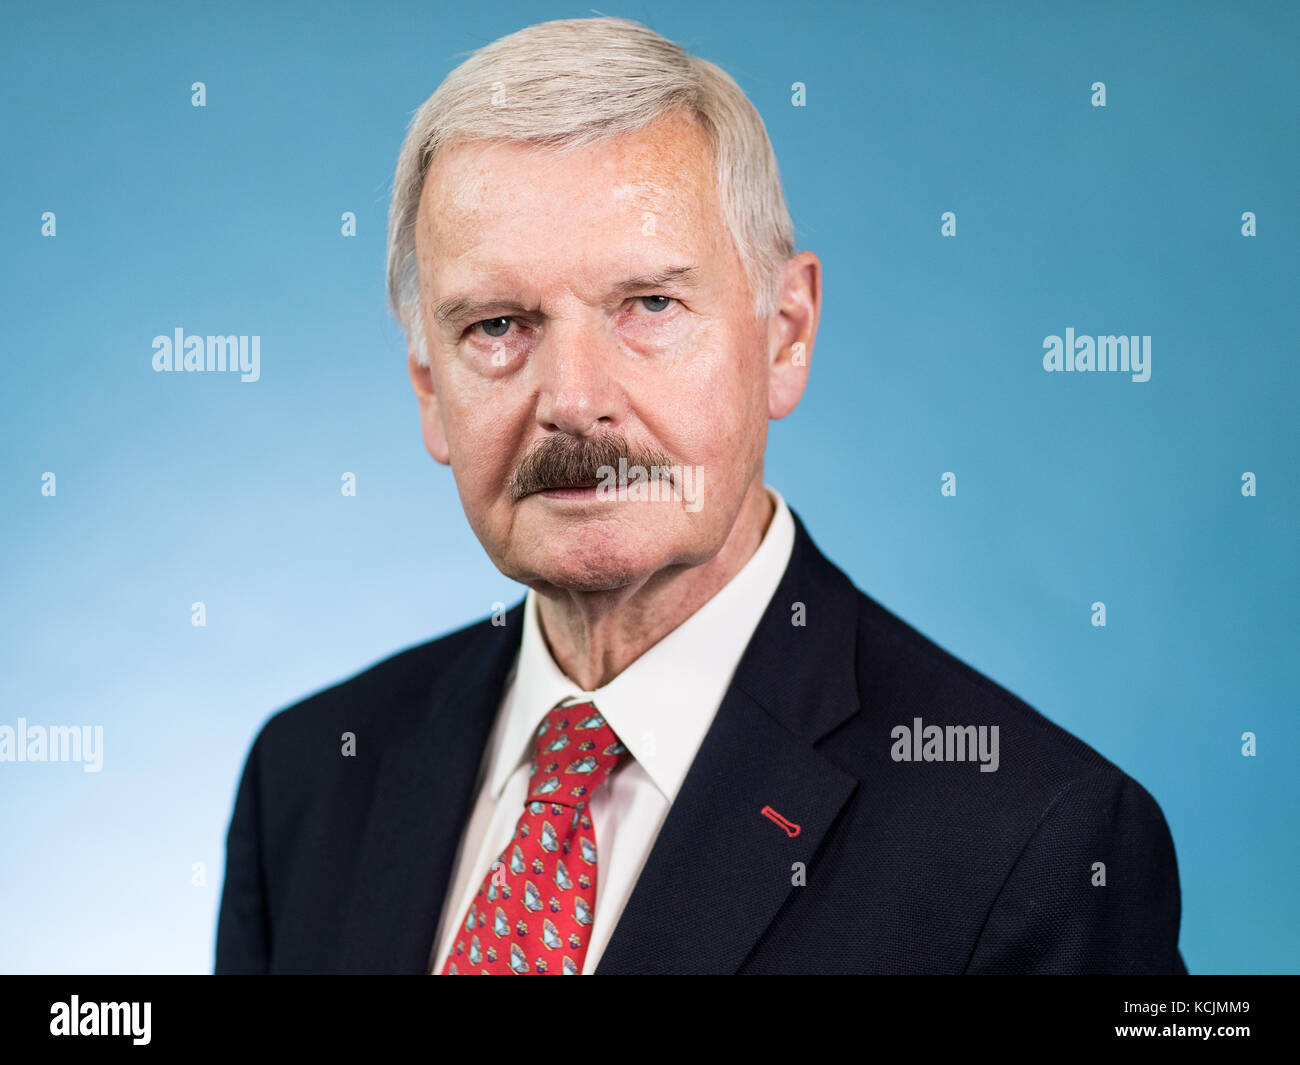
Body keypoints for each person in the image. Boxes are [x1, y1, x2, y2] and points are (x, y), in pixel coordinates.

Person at [215, 15, 1184, 975]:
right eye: (499, 324)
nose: (576, 403)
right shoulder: (307, 779)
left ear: (785, 334)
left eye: (649, 307)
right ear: (429, 386)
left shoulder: (1035, 842)